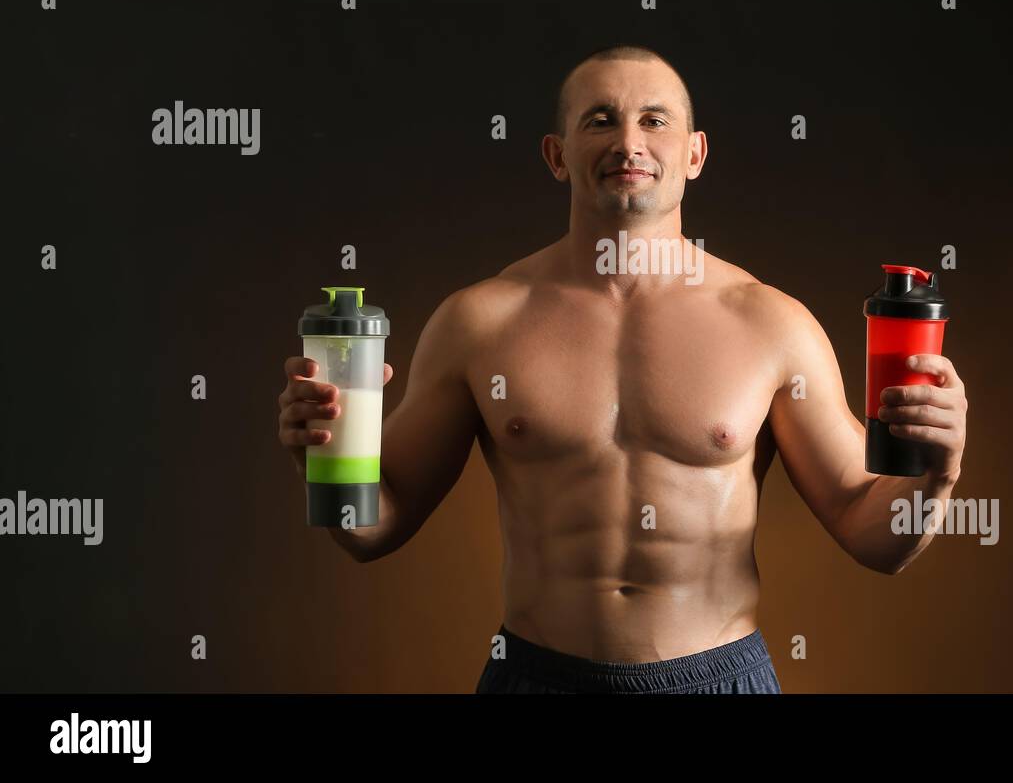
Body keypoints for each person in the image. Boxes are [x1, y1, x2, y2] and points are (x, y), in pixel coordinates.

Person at [276, 45, 969, 693]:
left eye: (654, 120)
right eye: (600, 120)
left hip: (715, 679)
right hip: (535, 679)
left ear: (695, 154)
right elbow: (374, 529)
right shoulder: (480, 322)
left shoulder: (771, 324)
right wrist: (328, 458)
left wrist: (937, 474)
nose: (629, 143)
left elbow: (870, 532)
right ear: (556, 155)